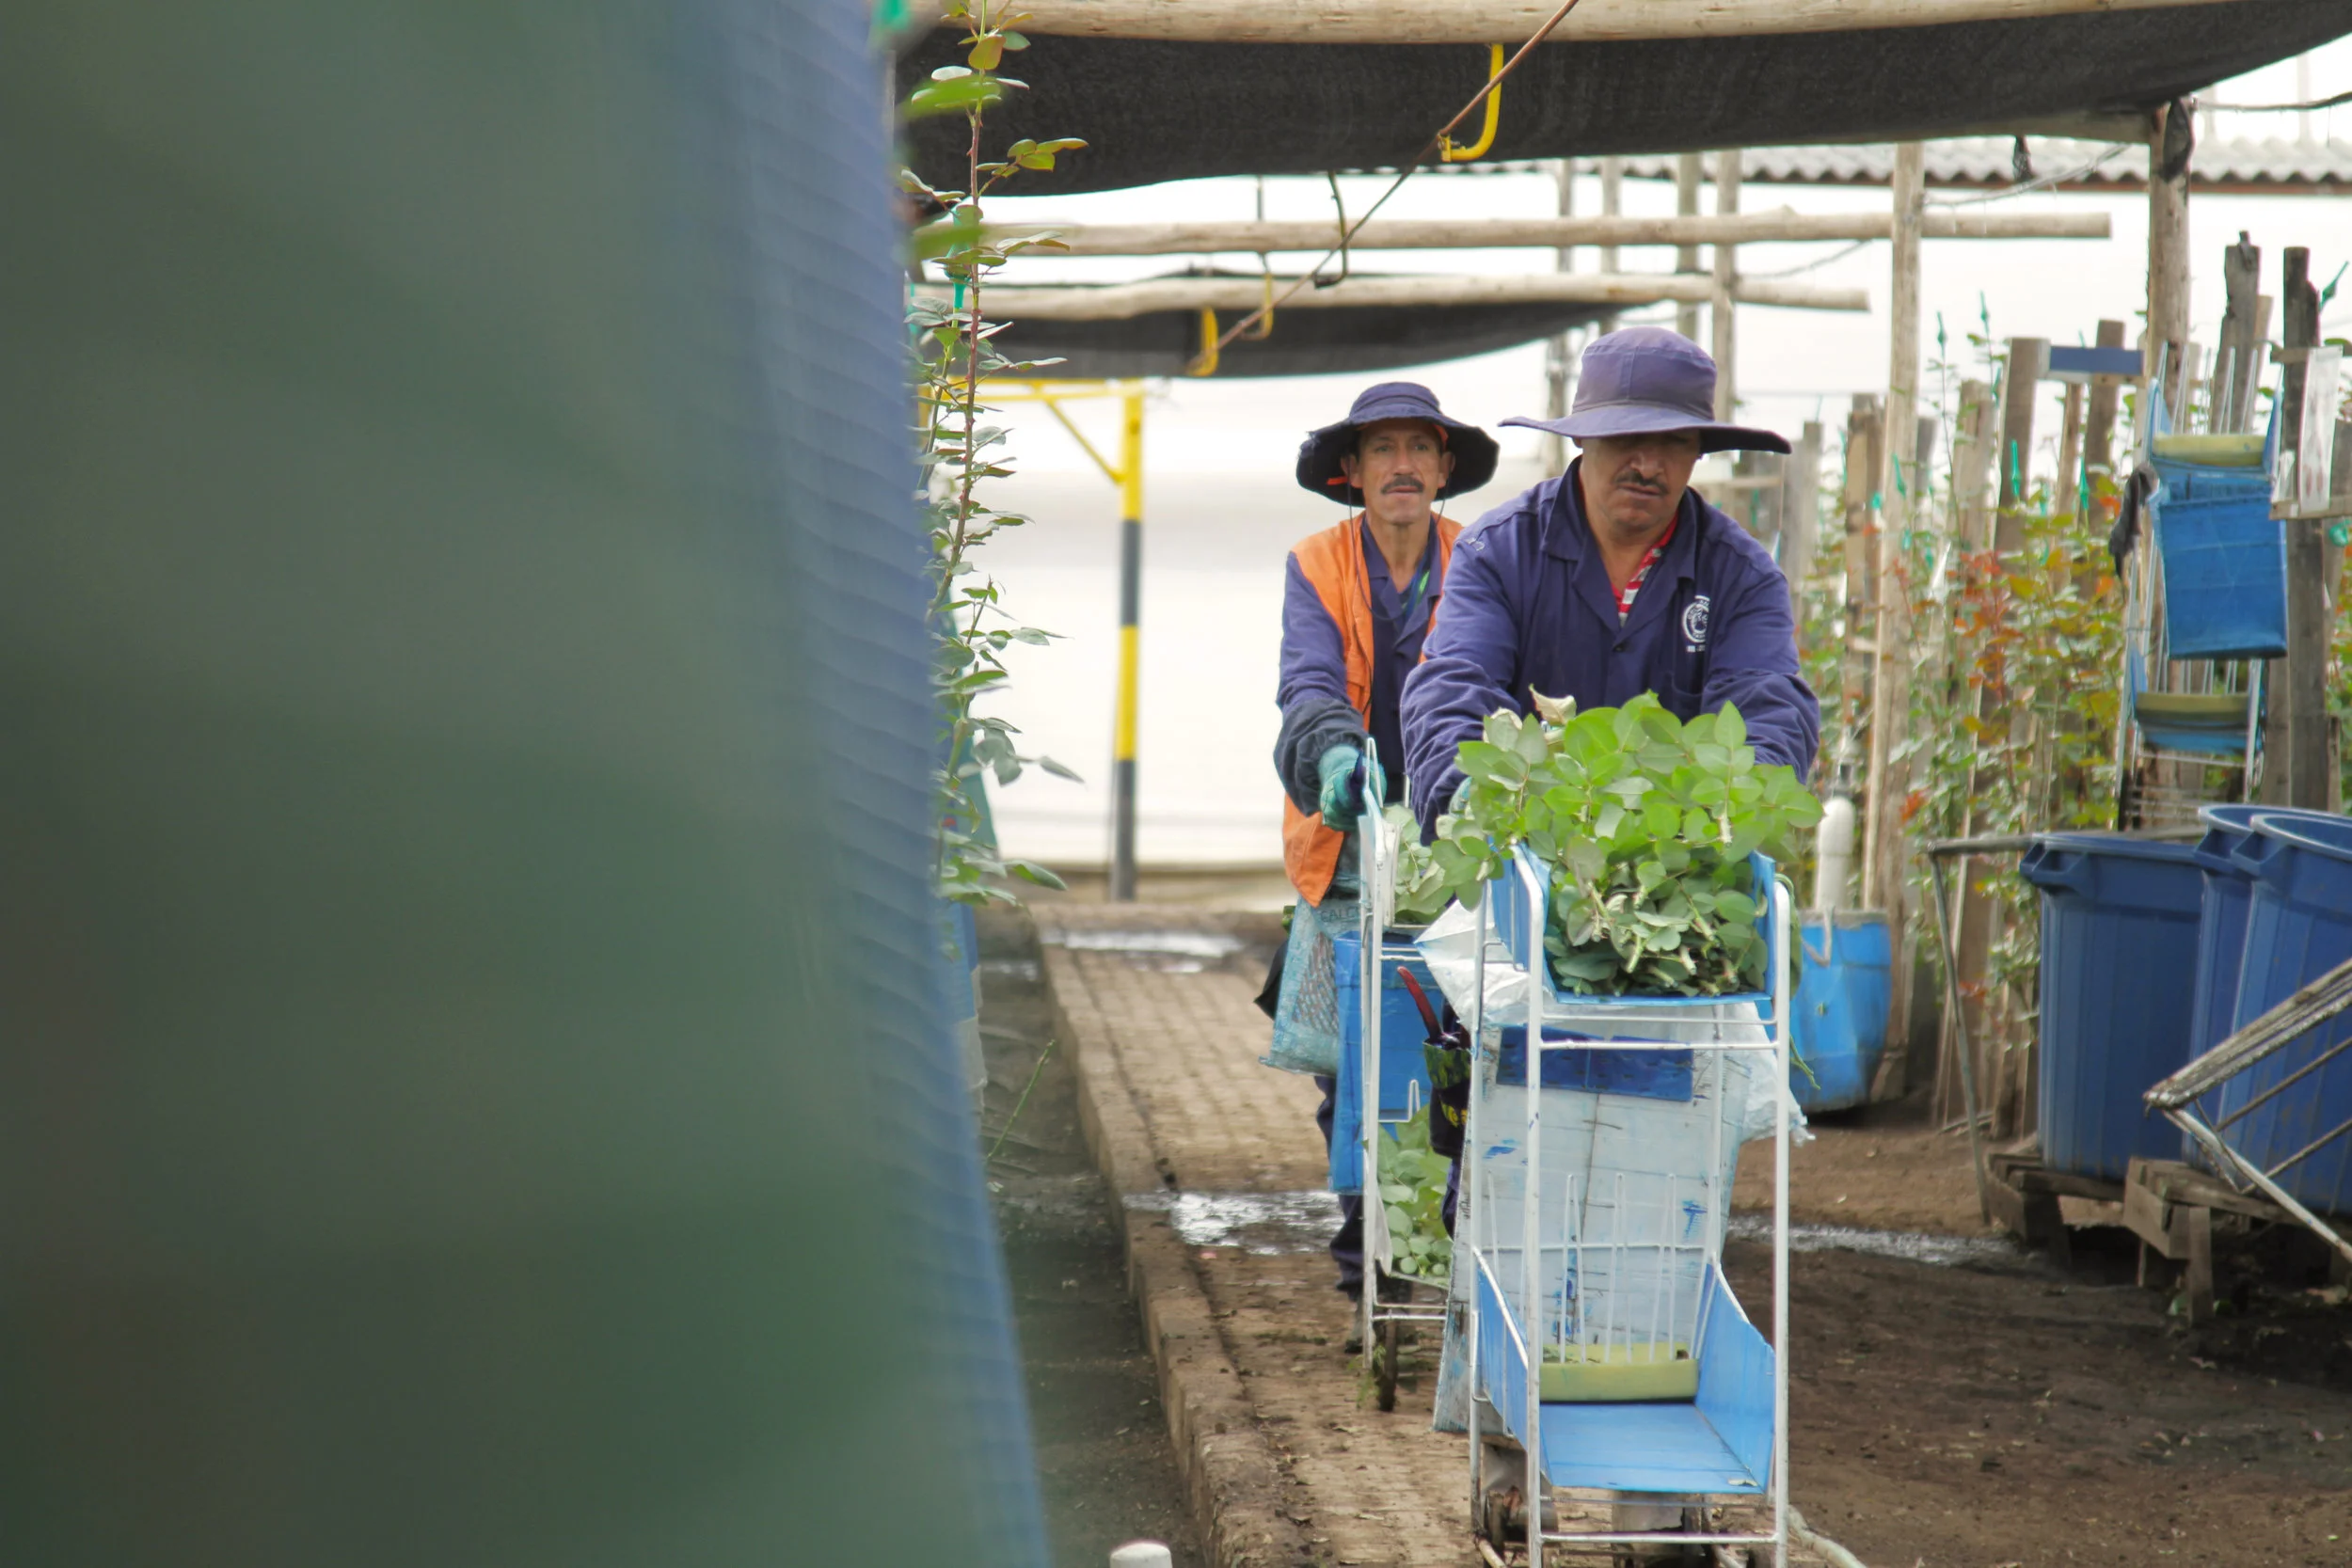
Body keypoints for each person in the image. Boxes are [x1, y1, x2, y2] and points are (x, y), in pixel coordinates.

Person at [1263, 382, 1497, 1300]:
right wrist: (1331, 756)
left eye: (1419, 448)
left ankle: (1449, 1228)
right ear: (1352, 472)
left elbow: (1497, 680)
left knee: (1460, 1037)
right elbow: (1308, 683)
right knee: (1351, 1053)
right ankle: (1367, 1243)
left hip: (1458, 834)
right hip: (1350, 835)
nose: (1402, 465)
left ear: (1444, 468)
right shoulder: (1316, 562)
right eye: (1382, 449)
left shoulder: (1481, 559)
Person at [1402, 326, 1819, 822]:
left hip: (1681, 852)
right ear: (1582, 435)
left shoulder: (1742, 578)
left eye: (1674, 441)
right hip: (1519, 847)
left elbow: (1766, 711)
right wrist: (1471, 797)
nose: (1648, 465)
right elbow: (1455, 688)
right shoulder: (1497, 554)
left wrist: (1735, 812)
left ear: (1700, 450)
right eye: (1627, 436)